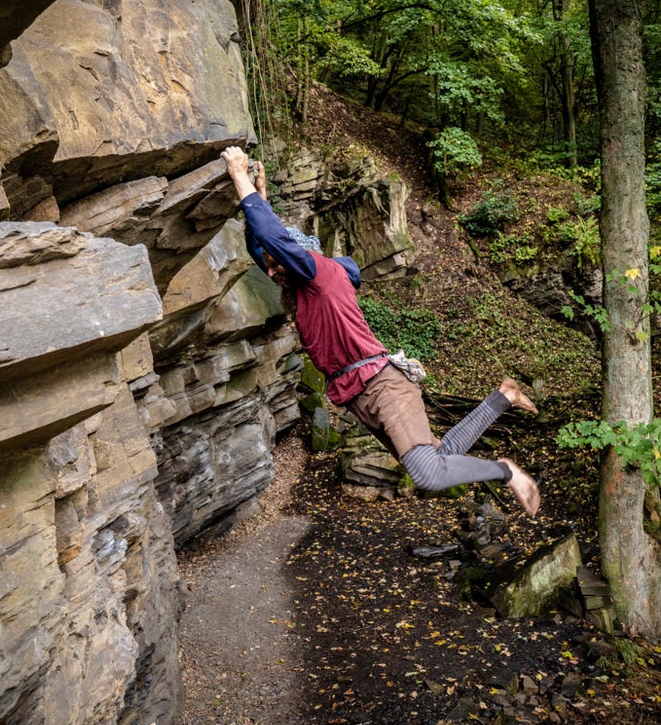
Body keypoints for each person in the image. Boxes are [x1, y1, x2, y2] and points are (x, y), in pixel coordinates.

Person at [221, 146, 540, 516]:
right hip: (360, 395)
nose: (272, 272)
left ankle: (506, 472)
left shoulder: (319, 273)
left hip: (382, 384)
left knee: (428, 474)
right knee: (437, 457)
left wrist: (239, 176)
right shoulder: (300, 288)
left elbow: (275, 239)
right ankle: (503, 397)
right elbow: (265, 242)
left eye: (277, 265)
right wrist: (260, 199)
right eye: (271, 268)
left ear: (299, 256)